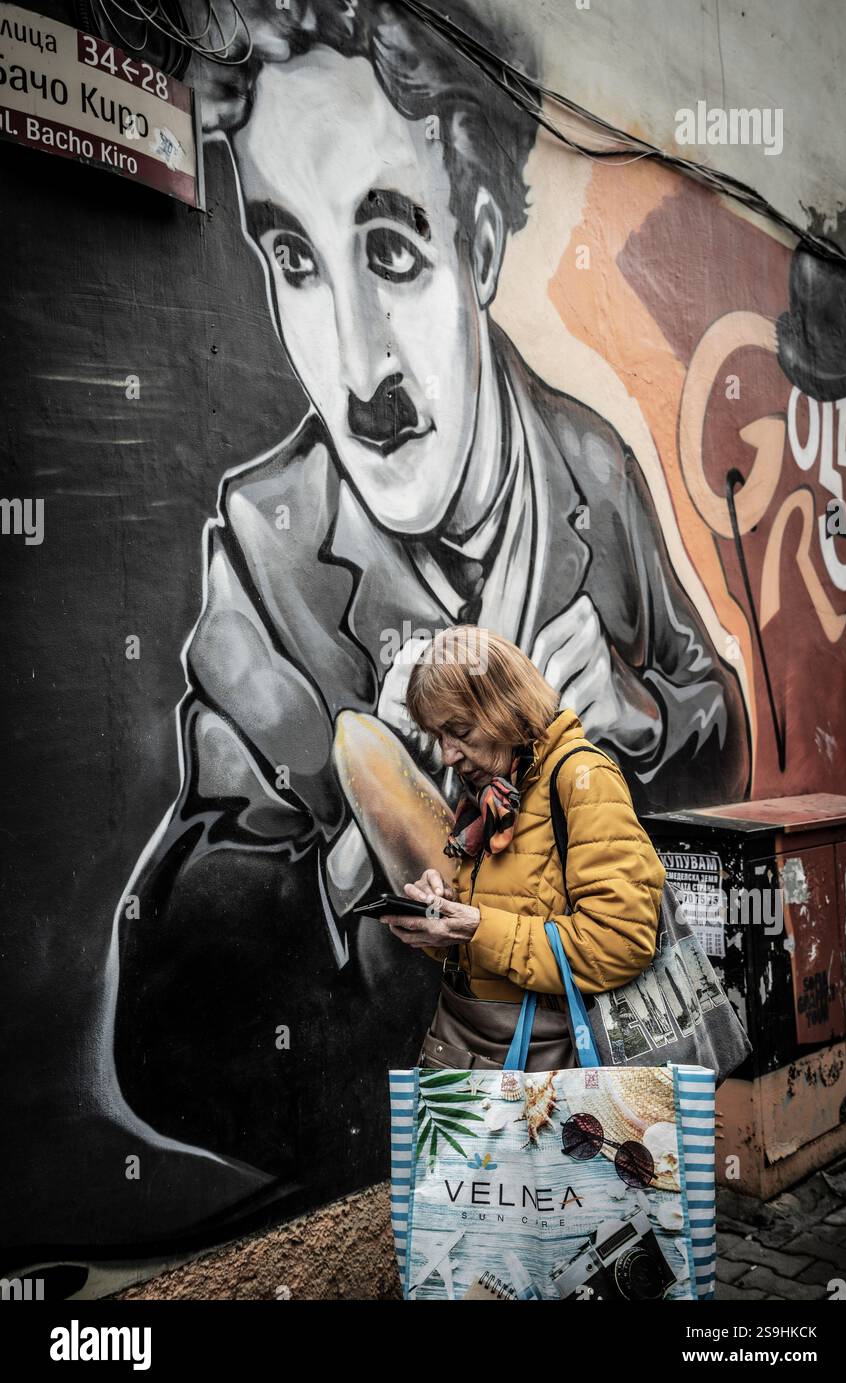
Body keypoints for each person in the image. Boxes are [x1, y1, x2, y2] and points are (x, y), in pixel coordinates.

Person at [111, 0, 747, 1165]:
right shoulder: (266, 547)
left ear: (484, 249)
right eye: (295, 259)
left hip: (584, 1093)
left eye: (393, 252)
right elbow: (164, 1017)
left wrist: (643, 716)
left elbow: (721, 742)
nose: (358, 371)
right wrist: (369, 843)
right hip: (447, 1115)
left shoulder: (592, 467)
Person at [383, 627, 664, 1069]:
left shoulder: (581, 779)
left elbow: (621, 942)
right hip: (479, 1049)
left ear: (505, 707)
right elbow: (507, 916)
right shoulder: (494, 795)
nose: (448, 755)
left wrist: (476, 927)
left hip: (548, 1067)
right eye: (439, 737)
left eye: (458, 730)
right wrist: (443, 915)